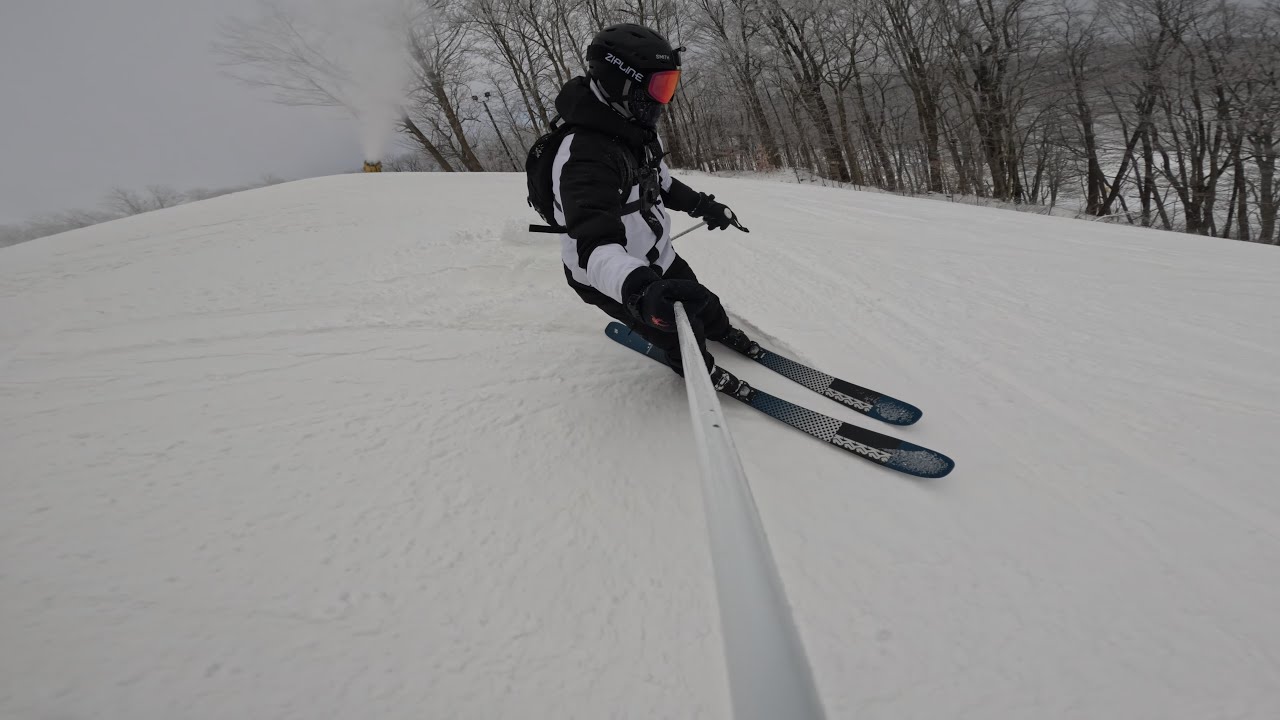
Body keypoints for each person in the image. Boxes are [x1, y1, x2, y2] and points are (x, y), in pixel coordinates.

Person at [547, 23, 758, 394]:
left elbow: (661, 183)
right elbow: (594, 247)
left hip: (656, 255)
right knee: (680, 334)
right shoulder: (583, 157)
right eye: (658, 87)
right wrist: (639, 290)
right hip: (613, 276)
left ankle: (721, 330)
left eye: (669, 86)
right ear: (621, 84)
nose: (663, 100)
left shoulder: (636, 130)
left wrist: (705, 206)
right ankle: (697, 369)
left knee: (704, 302)